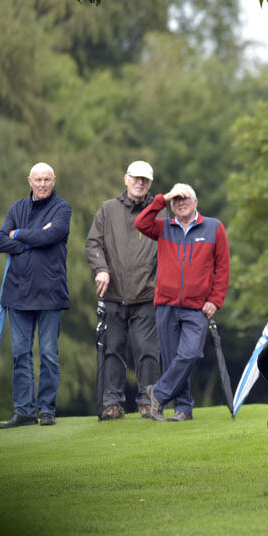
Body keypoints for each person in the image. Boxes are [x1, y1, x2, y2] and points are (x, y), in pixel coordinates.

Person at [135, 183, 230, 422]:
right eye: (176, 200)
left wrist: (216, 300)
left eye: (185, 198)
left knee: (190, 353)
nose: (180, 203)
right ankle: (183, 408)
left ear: (196, 202)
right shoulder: (163, 227)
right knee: (172, 361)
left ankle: (157, 393)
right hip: (165, 304)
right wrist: (163, 198)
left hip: (198, 306)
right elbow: (140, 223)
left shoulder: (213, 227)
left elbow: (223, 268)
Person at [0, 163, 71, 429]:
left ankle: (47, 410)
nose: (42, 184)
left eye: (47, 179)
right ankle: (25, 411)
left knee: (49, 354)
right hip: (17, 294)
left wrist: (20, 235)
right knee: (20, 355)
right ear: (29, 180)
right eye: (38, 180)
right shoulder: (17, 208)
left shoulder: (62, 208)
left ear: (54, 180)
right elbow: (0, 241)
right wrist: (34, 237)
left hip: (50, 293)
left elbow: (53, 235)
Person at [86, 160, 163, 420]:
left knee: (148, 351)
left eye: (145, 179)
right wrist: (101, 269)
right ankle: (112, 403)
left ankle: (148, 401)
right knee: (112, 350)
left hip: (147, 295)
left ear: (150, 183)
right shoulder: (108, 210)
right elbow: (93, 243)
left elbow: (170, 250)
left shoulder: (159, 213)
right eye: (136, 178)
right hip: (113, 295)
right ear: (126, 179)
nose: (140, 182)